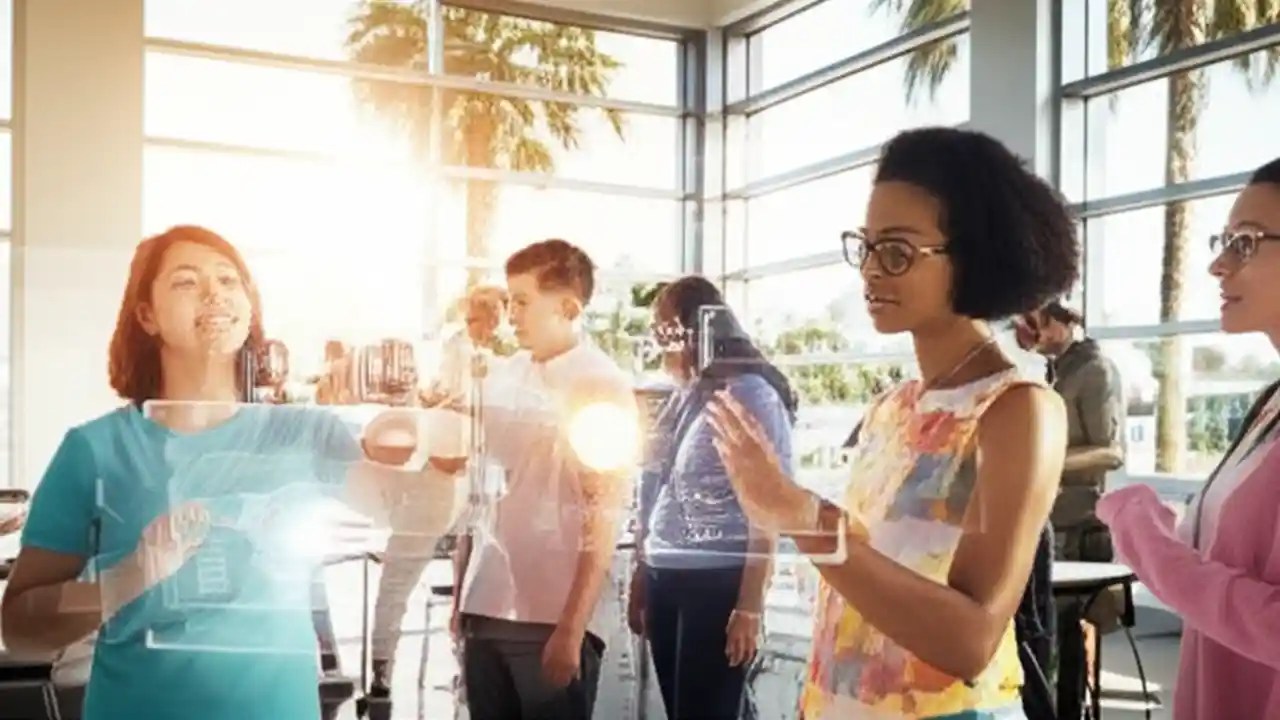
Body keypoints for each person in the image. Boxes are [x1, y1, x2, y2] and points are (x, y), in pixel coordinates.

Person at [0, 225, 465, 720]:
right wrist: (129, 578)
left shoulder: (303, 433)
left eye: (229, 280)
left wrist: (444, 447)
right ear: (146, 315)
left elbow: (420, 511)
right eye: (186, 281)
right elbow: (20, 628)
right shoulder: (94, 450)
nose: (214, 294)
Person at [708, 127, 1079, 719]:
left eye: (898, 252)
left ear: (974, 255)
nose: (871, 272)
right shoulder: (892, 409)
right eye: (868, 246)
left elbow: (970, 639)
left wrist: (803, 518)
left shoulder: (1016, 410)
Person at [1098, 157, 1280, 719]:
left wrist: (1152, 546)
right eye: (1224, 241)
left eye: (1246, 243)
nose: (1218, 266)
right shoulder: (1270, 401)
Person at [452, 239, 636, 720]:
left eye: (522, 302)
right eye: (510, 300)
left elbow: (603, 515)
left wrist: (572, 629)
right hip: (486, 608)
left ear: (569, 307)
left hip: (551, 618)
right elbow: (479, 493)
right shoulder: (502, 377)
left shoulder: (602, 385)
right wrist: (461, 600)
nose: (510, 313)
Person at [628, 275, 796, 719]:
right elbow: (656, 485)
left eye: (664, 327)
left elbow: (770, 508)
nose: (658, 339)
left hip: (717, 582)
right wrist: (643, 571)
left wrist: (750, 605)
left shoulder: (751, 395)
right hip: (668, 576)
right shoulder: (686, 395)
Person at [366, 284, 508, 703]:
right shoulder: (458, 352)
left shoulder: (496, 361)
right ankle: (382, 668)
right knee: (403, 574)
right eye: (491, 313)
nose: (495, 322)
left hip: (471, 478)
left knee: (469, 576)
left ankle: (457, 669)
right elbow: (443, 410)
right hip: (442, 476)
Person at [1015, 299, 1126, 711]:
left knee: (1068, 658)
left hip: (1080, 529)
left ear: (1063, 321)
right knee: (1046, 648)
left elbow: (1111, 452)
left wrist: (1043, 462)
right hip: (1050, 525)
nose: (1025, 332)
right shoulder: (1057, 372)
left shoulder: (1095, 371)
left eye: (1033, 321)